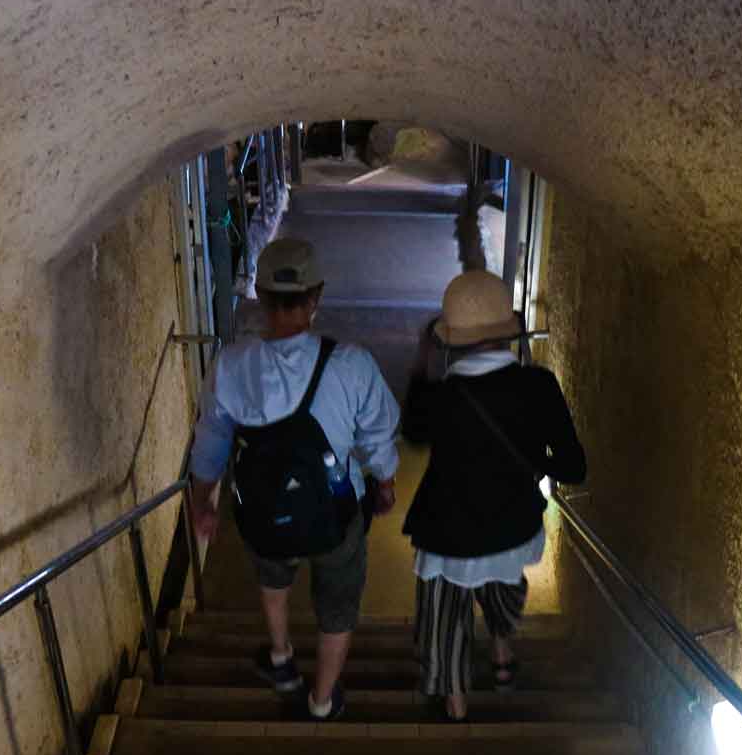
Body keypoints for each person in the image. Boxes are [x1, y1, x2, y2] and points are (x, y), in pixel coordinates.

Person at [189, 238, 400, 721]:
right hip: (336, 516)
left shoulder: (231, 365)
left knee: (273, 572)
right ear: (316, 296)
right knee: (338, 604)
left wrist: (203, 502)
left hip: (265, 515)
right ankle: (322, 700)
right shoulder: (351, 364)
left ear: (260, 296)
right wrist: (385, 485)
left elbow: (211, 442)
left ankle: (282, 658)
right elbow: (378, 436)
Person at [401, 270, 586, 722]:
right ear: (508, 332)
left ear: (450, 342)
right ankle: (502, 653)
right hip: (511, 526)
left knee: (446, 607)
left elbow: (413, 433)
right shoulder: (539, 386)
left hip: (448, 531)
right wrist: (529, 459)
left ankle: (456, 702)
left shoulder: (440, 396)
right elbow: (573, 468)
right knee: (502, 580)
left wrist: (422, 363)